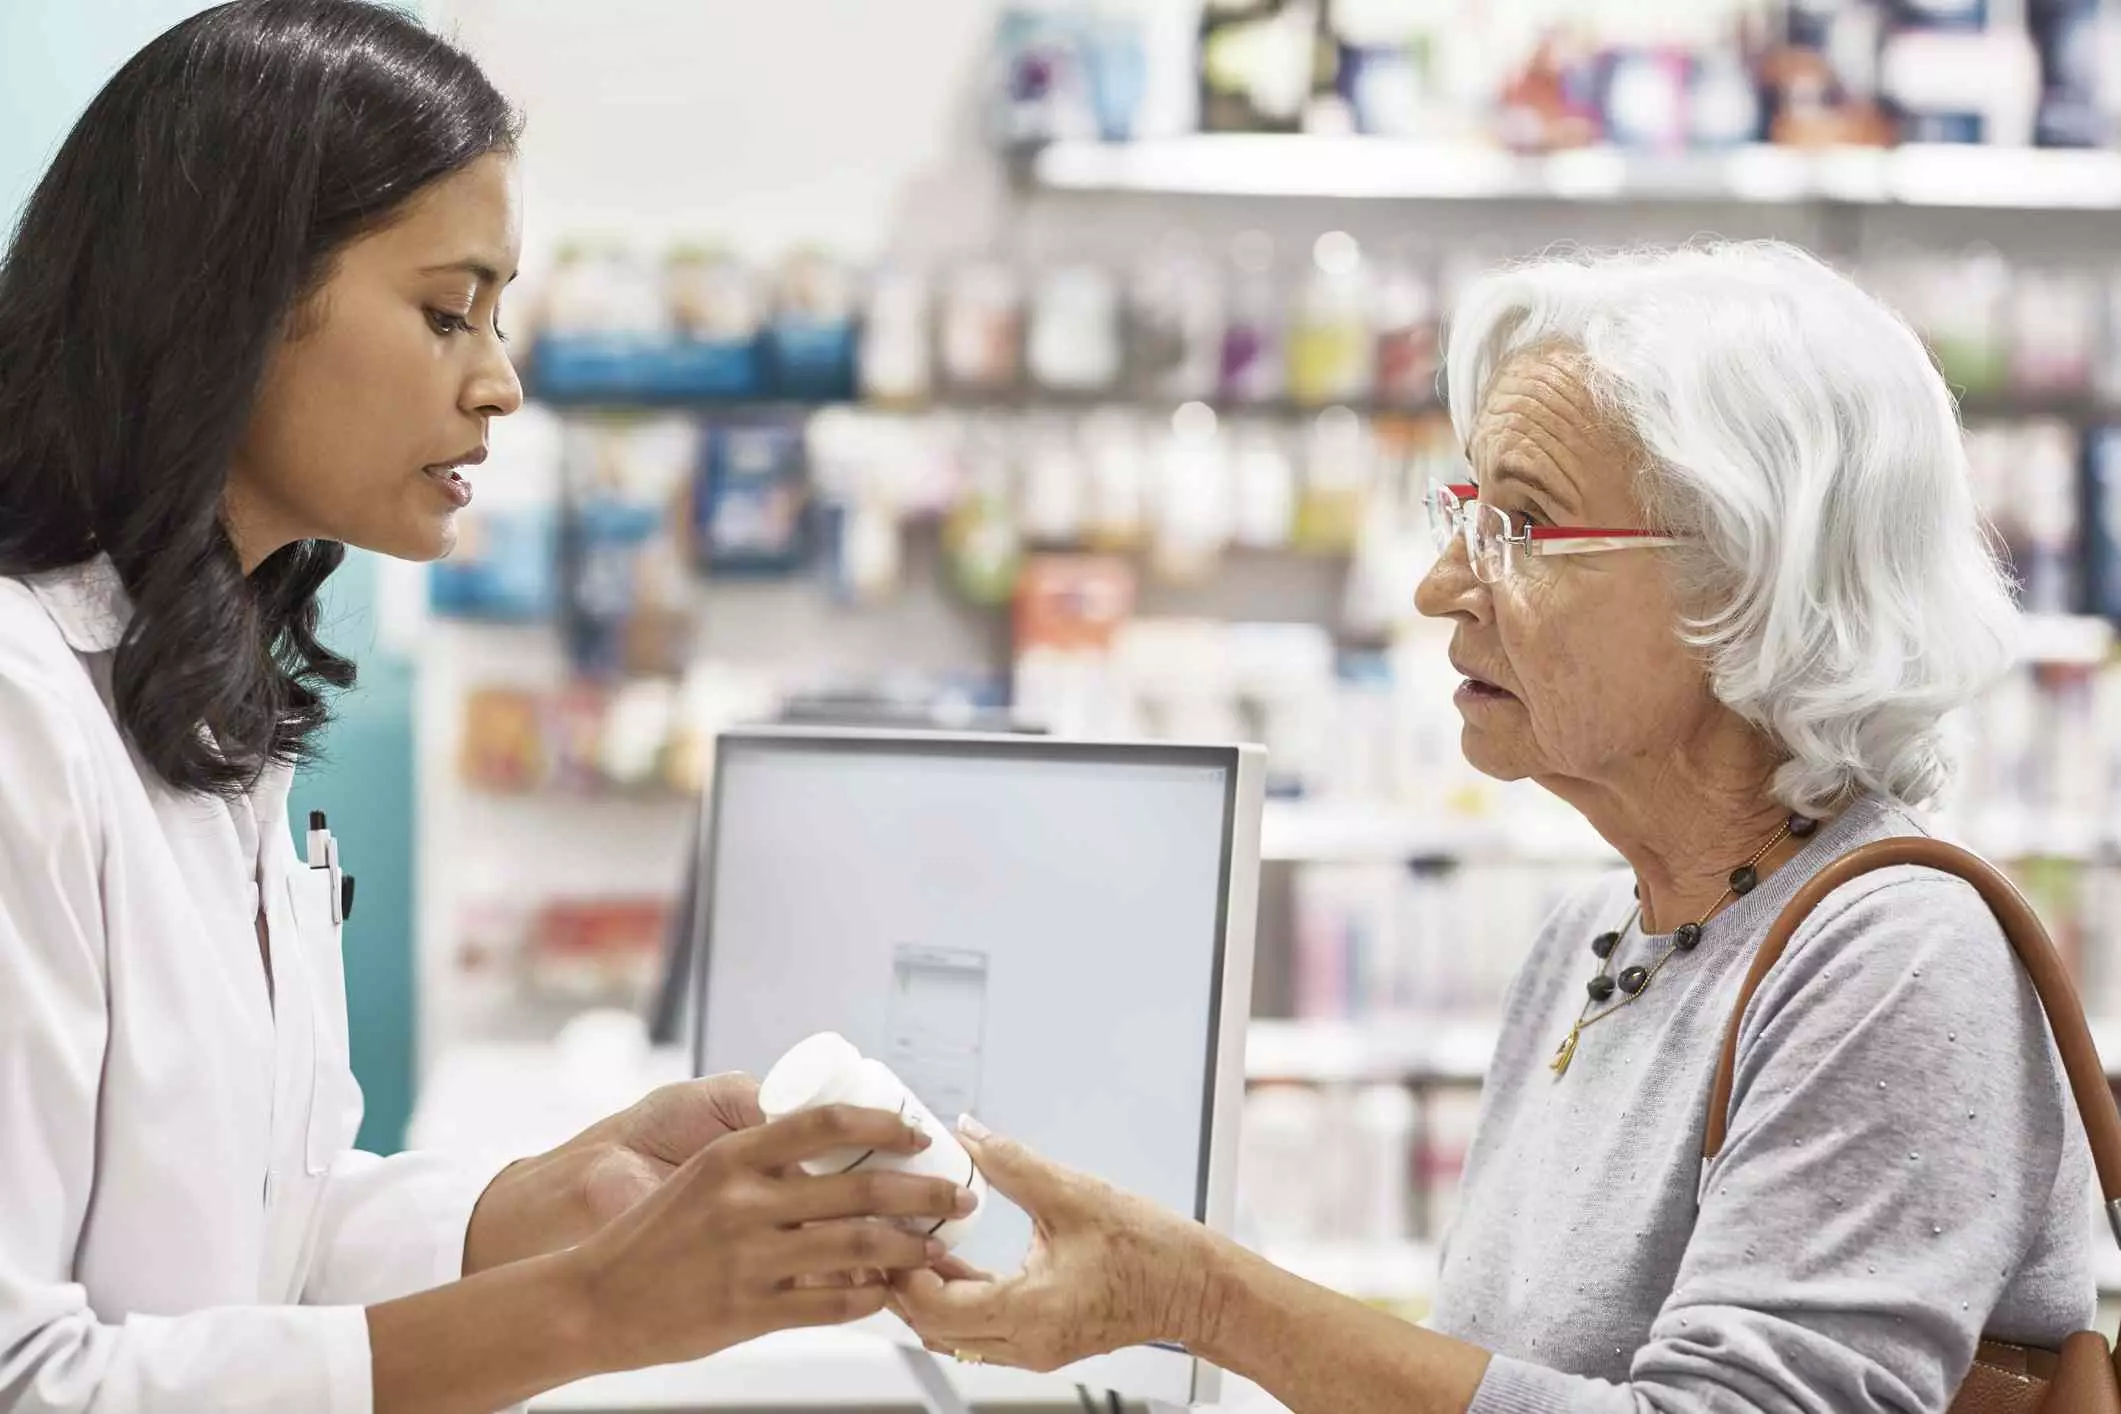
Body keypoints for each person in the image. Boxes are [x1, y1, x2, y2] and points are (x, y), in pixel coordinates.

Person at [891, 242, 2097, 1413]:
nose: (1440, 584)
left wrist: (1211, 1300)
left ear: (1745, 577)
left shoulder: (1896, 959)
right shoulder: (1599, 935)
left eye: (1519, 526)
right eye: (1464, 510)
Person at [0, 5, 976, 1412]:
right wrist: (586, 1310)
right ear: (231, 300)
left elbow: (259, 1233)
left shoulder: (189, 697)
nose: (500, 380)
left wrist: (556, 1207)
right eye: (446, 310)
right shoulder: (25, 718)